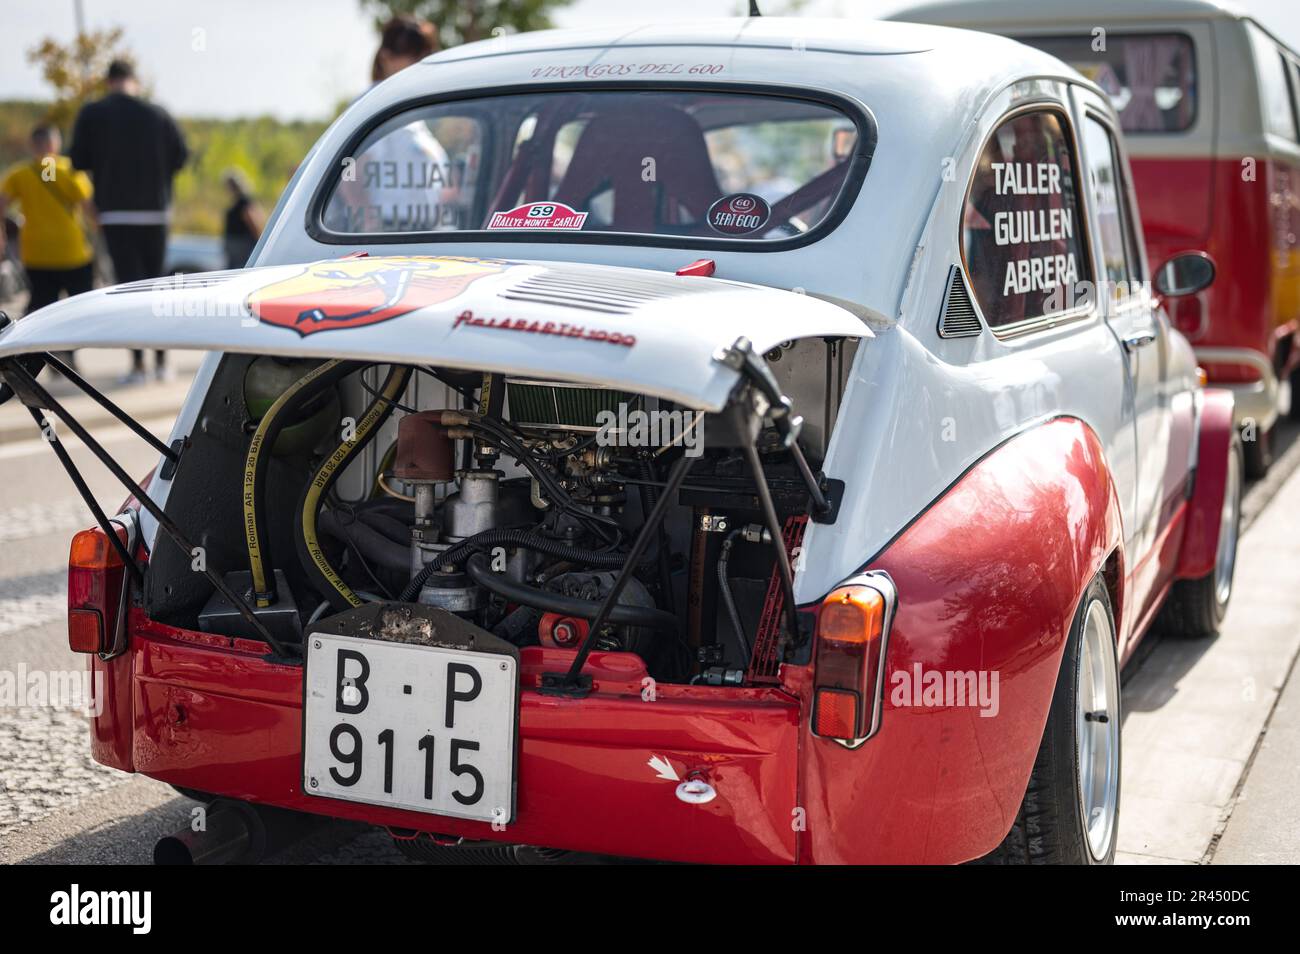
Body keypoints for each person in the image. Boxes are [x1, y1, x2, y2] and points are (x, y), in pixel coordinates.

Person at [70, 58, 188, 384]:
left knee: (129, 289)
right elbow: (181, 156)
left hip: (115, 213)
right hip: (155, 212)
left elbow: (77, 160)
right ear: (134, 80)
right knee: (156, 288)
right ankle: (163, 363)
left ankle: (138, 366)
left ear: (108, 81)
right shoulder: (158, 113)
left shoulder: (92, 113)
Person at [325, 16, 452, 233]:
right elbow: (351, 174)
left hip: (420, 229)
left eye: (423, 55)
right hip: (389, 231)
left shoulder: (403, 106)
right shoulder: (375, 103)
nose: (419, 63)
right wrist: (369, 226)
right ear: (386, 57)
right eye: (412, 55)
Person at [0, 125, 96, 372]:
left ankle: (45, 357)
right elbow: (89, 209)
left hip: (37, 254)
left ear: (33, 145)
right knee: (77, 310)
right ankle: (70, 356)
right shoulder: (71, 170)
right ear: (56, 144)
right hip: (72, 251)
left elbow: (1, 205)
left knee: (43, 310)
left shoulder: (19, 174)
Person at [222, 169, 264, 268]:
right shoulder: (241, 201)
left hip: (241, 247)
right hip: (237, 247)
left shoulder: (244, 201)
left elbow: (253, 221)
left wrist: (260, 242)